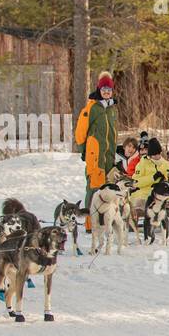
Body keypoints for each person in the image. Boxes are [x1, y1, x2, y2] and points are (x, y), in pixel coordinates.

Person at [74, 71, 119, 231]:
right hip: (95, 156)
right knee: (94, 190)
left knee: (108, 190)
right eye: (104, 89)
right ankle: (89, 224)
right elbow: (80, 132)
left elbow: (113, 133)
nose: (106, 92)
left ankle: (106, 222)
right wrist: (84, 151)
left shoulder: (112, 109)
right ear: (99, 90)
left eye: (109, 89)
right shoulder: (91, 108)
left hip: (109, 157)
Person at [131, 138, 169, 233]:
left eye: (158, 154)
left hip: (162, 192)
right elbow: (136, 182)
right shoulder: (142, 164)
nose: (157, 157)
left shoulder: (165, 163)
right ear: (150, 155)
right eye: (154, 155)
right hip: (146, 192)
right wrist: (152, 178)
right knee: (143, 198)